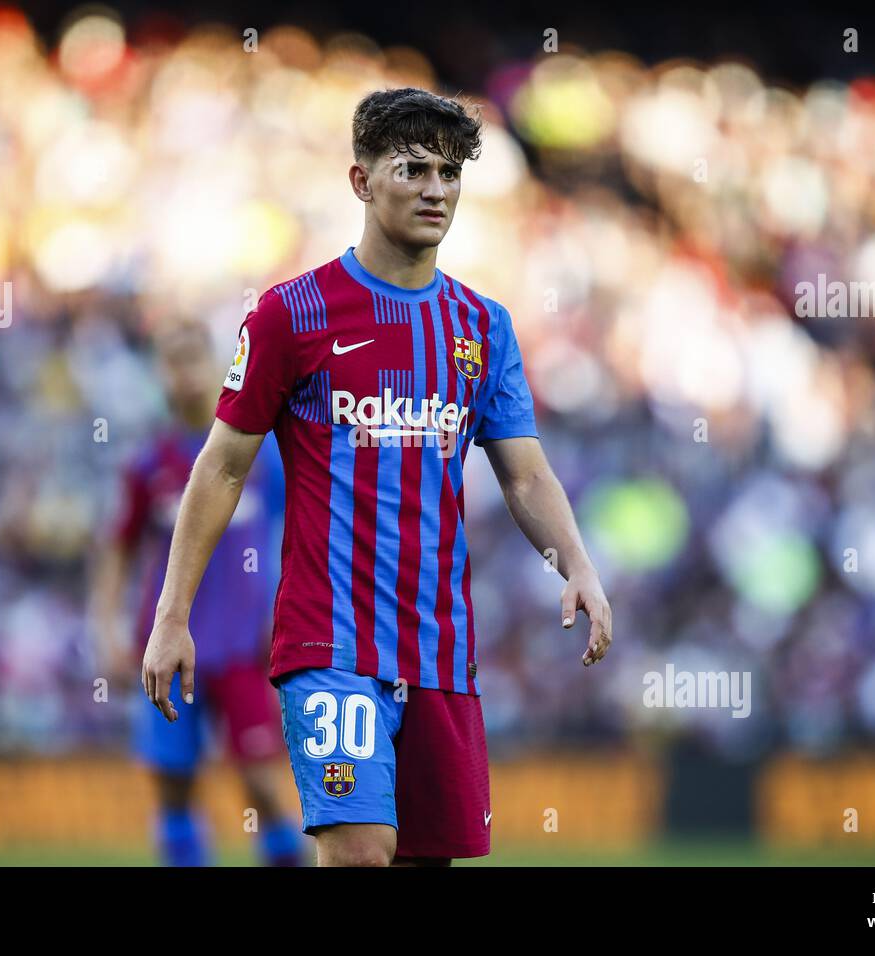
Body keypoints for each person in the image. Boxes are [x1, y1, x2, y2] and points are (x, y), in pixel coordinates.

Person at [141, 87, 612, 866]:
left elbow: (525, 475)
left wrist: (578, 564)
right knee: (360, 854)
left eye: (451, 172)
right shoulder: (291, 315)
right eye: (414, 168)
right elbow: (223, 466)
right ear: (361, 181)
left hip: (440, 652)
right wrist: (171, 614)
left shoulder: (482, 327)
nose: (437, 189)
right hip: (329, 645)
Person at [92, 318, 302, 866]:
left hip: (241, 648)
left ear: (216, 365)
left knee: (263, 786)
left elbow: (300, 534)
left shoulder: (262, 455)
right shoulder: (147, 465)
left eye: (193, 358)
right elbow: (116, 549)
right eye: (172, 360)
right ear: (159, 373)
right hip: (166, 649)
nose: (184, 374)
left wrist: (286, 617)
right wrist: (107, 628)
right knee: (175, 790)